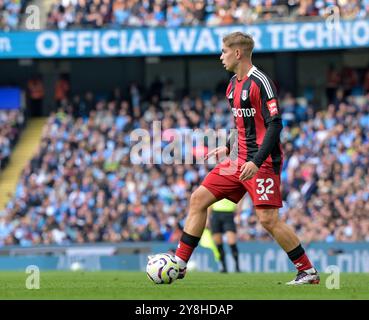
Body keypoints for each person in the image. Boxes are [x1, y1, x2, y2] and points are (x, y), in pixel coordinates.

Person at [174, 32, 320, 285]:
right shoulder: (232, 85)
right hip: (237, 158)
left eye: (224, 52)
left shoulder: (260, 81)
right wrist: (228, 146)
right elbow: (244, 124)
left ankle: (307, 271)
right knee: (198, 199)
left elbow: (274, 125)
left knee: (268, 220)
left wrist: (256, 160)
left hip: (262, 162)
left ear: (238, 53)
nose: (221, 57)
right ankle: (179, 263)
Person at [208, 198, 240, 273]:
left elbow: (239, 199)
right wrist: (208, 218)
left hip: (229, 214)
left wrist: (238, 213)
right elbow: (210, 201)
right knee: (219, 243)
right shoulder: (215, 186)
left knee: (232, 242)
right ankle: (224, 267)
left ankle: (237, 267)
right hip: (216, 214)